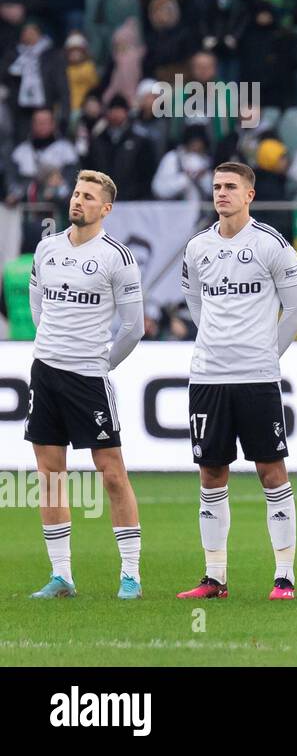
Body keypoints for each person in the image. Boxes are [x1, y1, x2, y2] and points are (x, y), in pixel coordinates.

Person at [176, 162, 297, 601]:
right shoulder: (197, 247)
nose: (222, 193)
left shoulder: (272, 245)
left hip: (256, 378)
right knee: (211, 473)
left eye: (231, 186)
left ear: (249, 194)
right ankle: (215, 578)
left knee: (271, 473)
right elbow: (195, 301)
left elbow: (295, 312)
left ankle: (284, 576)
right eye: (216, 187)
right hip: (208, 377)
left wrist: (266, 354)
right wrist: (217, 342)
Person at [26, 171, 145, 600]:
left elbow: (134, 327)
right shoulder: (47, 249)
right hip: (45, 373)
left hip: (89, 379)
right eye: (77, 194)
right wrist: (52, 348)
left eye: (88, 197)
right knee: (50, 475)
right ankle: (62, 576)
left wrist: (99, 363)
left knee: (112, 473)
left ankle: (130, 574)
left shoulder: (117, 257)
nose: (78, 201)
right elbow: (38, 306)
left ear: (105, 208)